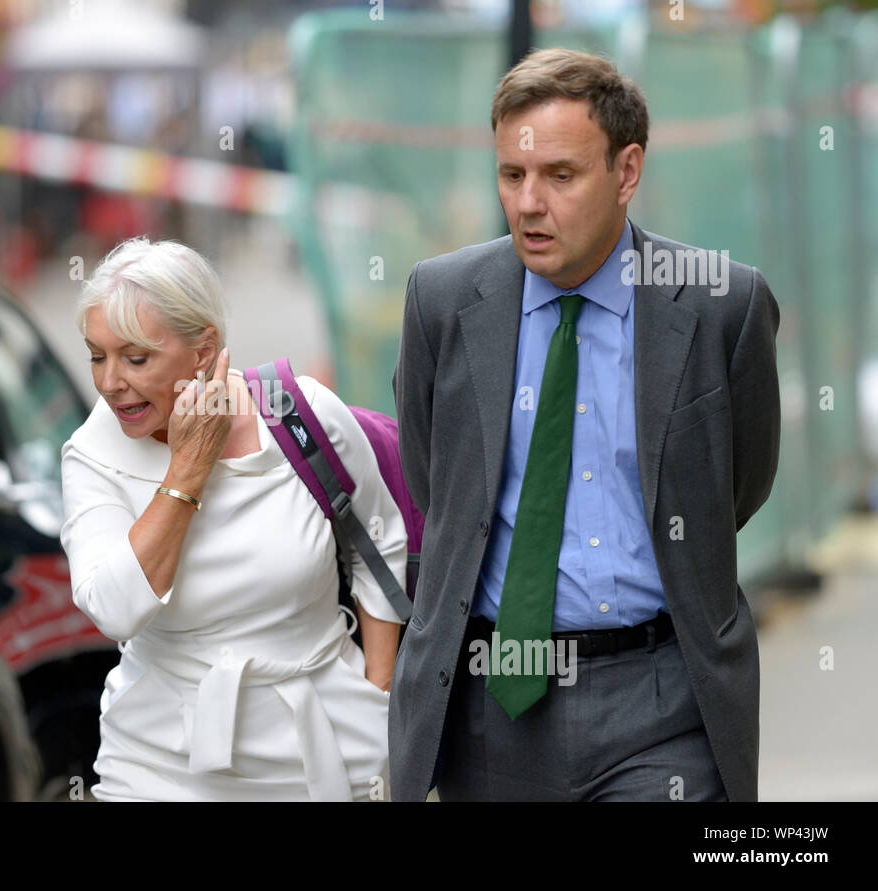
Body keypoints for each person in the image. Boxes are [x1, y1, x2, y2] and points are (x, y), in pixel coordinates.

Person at [390, 48, 780, 802]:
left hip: (663, 700)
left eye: (560, 176)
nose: (530, 203)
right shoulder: (440, 300)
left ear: (626, 172)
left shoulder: (720, 305)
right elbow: (437, 480)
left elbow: (738, 483)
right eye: (512, 176)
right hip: (492, 696)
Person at [60, 237, 407, 801]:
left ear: (204, 350)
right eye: (97, 355)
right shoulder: (92, 454)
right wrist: (189, 470)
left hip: (322, 743)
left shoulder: (303, 414)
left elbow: (380, 540)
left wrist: (380, 691)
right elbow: (114, 609)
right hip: (156, 760)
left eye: (136, 358)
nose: (109, 382)